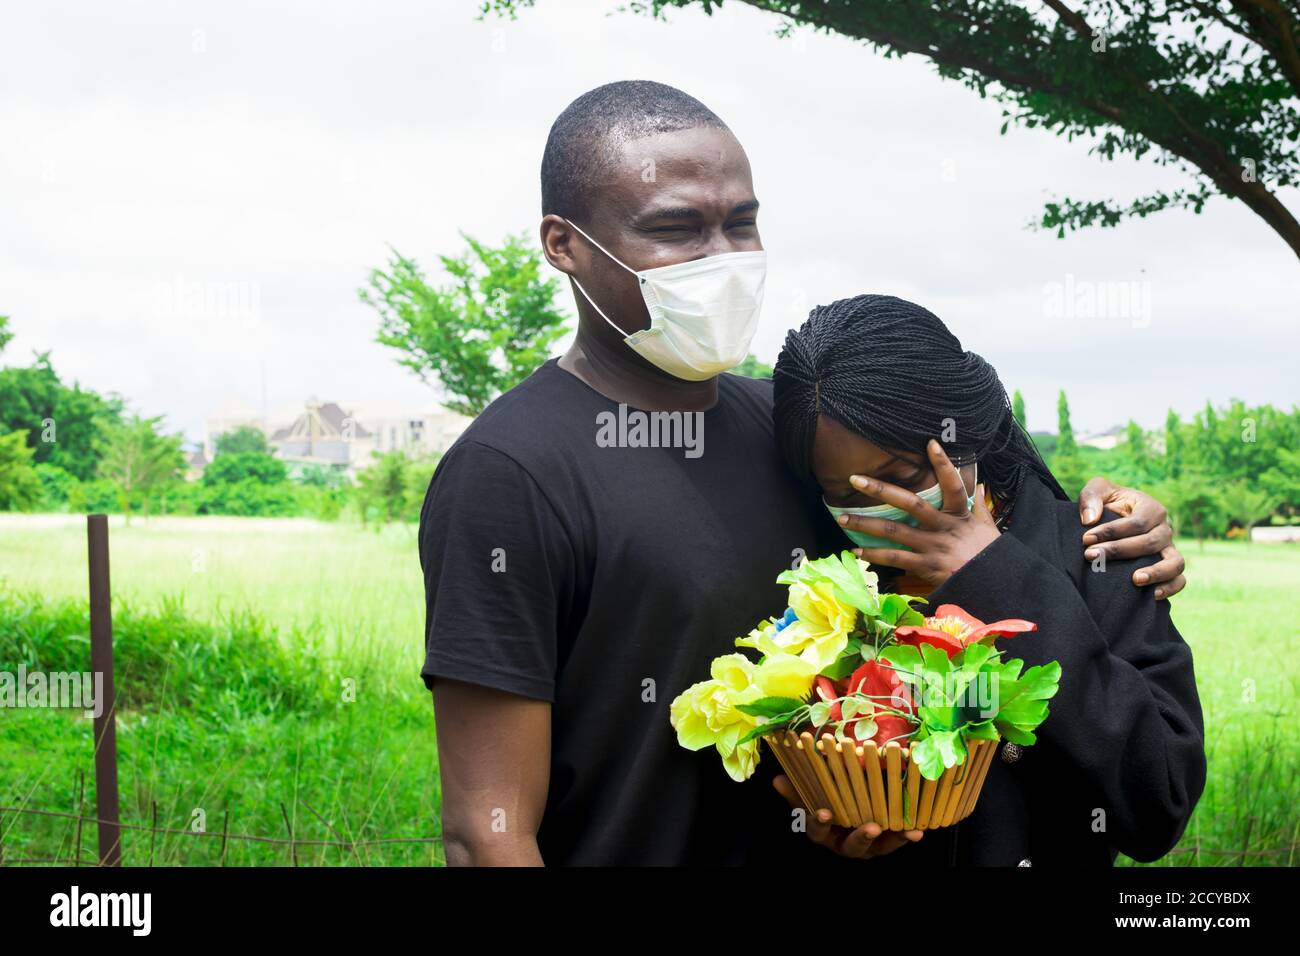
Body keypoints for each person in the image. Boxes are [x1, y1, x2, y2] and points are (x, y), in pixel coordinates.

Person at [419, 80, 1187, 866]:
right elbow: (487, 834)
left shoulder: (794, 432)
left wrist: (1120, 516)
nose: (721, 258)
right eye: (676, 228)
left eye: (741, 223)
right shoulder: (509, 472)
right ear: (564, 243)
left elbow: (986, 505)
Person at [764, 294, 1206, 866]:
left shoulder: (1099, 551)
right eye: (846, 496)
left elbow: (1157, 808)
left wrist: (992, 576)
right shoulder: (828, 583)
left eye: (902, 477)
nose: (883, 509)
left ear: (967, 430)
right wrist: (834, 827)